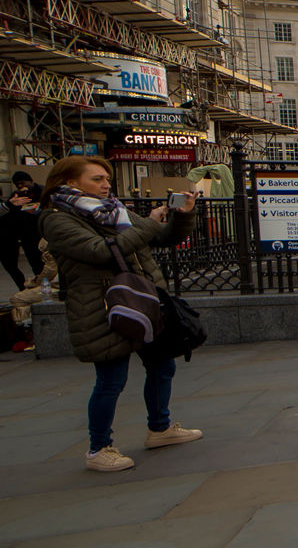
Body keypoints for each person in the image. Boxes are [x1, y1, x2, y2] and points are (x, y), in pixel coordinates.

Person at [38, 155, 202, 473]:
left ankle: (160, 428)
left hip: (142, 301)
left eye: (107, 179)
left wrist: (183, 216)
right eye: (97, 179)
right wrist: (149, 224)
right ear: (69, 182)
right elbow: (102, 251)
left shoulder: (114, 209)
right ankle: (98, 448)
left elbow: (163, 237)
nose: (105, 184)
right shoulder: (57, 219)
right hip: (102, 306)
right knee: (111, 380)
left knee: (162, 366)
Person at [2, 174, 45, 289]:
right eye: (18, 184)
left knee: (45, 263)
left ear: (30, 181)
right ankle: (37, 287)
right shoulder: (16, 195)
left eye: (23, 183)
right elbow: (10, 213)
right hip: (25, 235)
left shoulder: (42, 191)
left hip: (41, 232)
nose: (20, 186)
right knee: (34, 262)